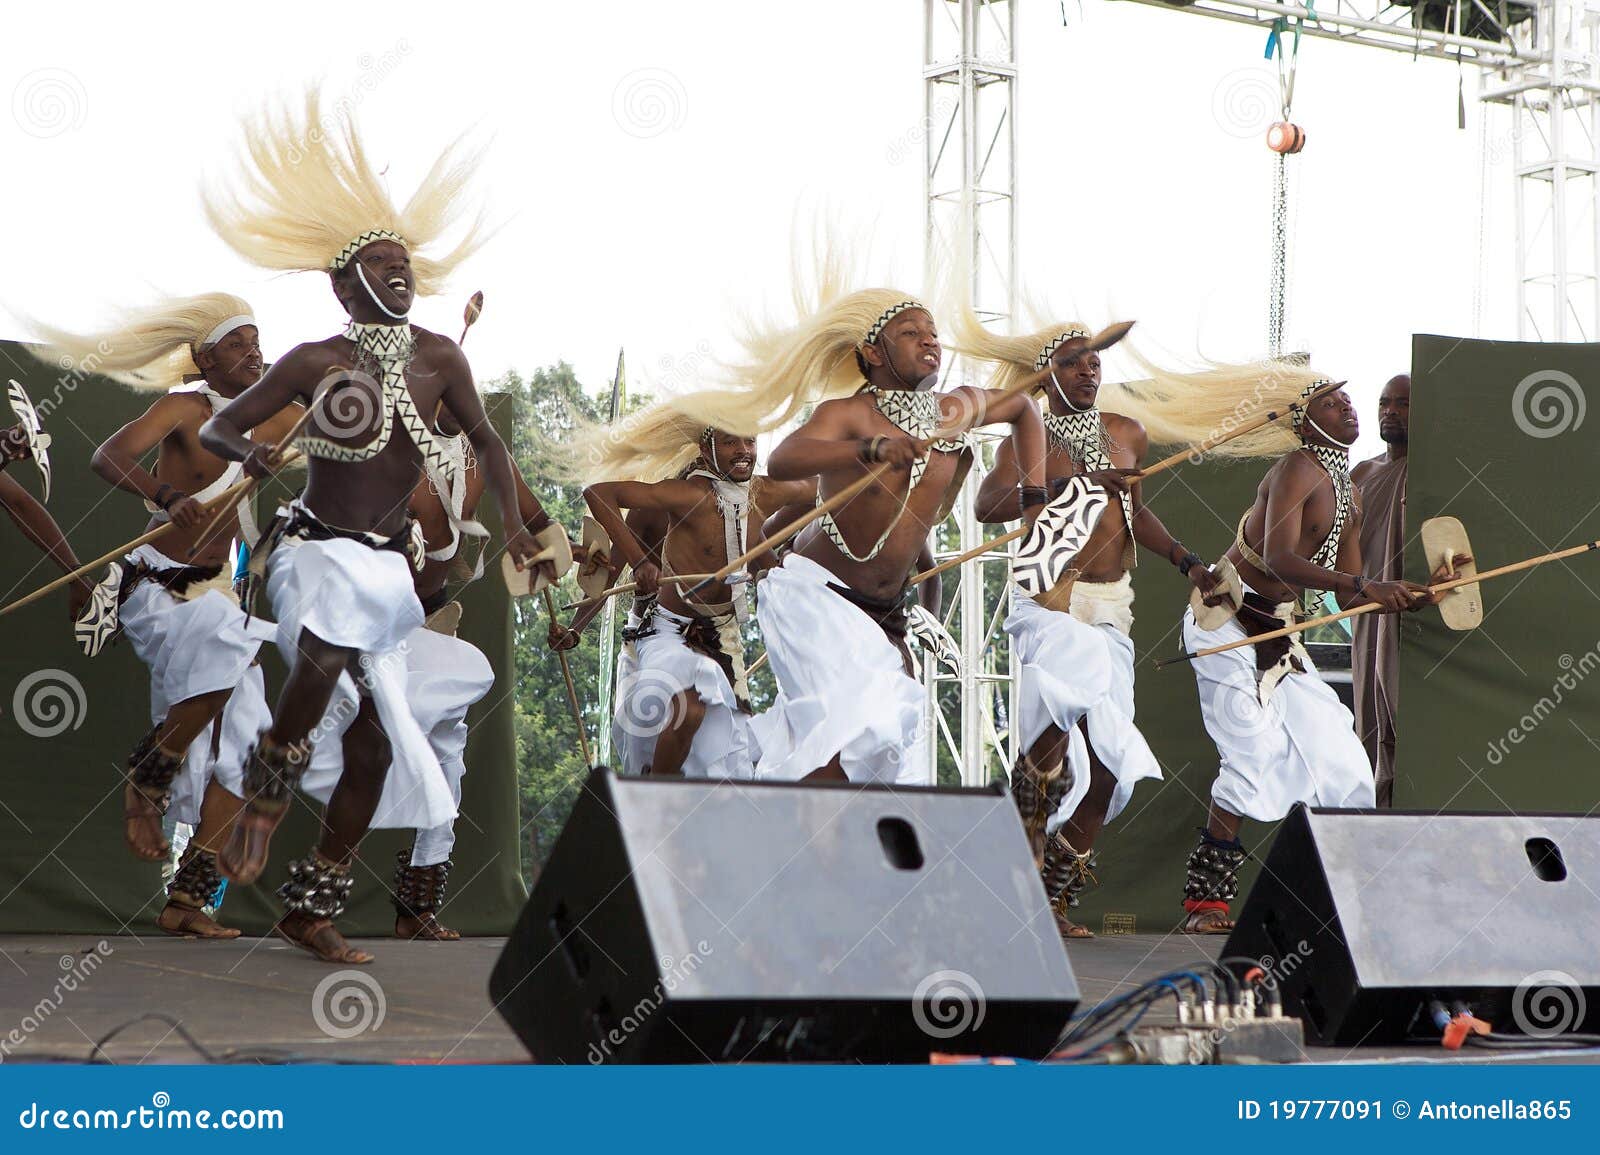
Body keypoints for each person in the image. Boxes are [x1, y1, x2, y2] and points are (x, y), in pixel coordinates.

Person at [198, 89, 549, 963]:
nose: (400, 271)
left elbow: (489, 442)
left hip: (388, 570)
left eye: (405, 262)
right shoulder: (314, 360)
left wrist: (513, 523)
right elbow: (219, 425)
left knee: (374, 745)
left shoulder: (440, 358)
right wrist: (245, 454)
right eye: (382, 262)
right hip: (316, 551)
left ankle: (311, 899)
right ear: (342, 284)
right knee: (321, 659)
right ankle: (267, 791)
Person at [37, 295, 301, 938]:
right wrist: (167, 495)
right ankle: (146, 778)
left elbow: (351, 441)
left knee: (251, 747)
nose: (252, 353)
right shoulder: (185, 408)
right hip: (161, 589)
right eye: (235, 344)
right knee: (218, 646)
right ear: (204, 358)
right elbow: (107, 456)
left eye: (256, 340)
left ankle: (188, 901)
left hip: (227, 594)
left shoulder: (281, 418)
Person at [1144, 364, 1431, 933]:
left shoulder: (1348, 491)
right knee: (1250, 753)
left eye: (1350, 401)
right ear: (1304, 420)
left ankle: (1350, 902)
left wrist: (1394, 597)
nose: (1350, 408)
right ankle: (1207, 905)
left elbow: (1347, 590)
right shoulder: (1296, 469)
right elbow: (1278, 560)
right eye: (1333, 403)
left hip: (1279, 636)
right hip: (1224, 623)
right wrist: (1362, 586)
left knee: (1347, 762)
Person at [962, 312, 1222, 939]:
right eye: (1075, 360)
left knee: (1111, 762)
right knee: (1053, 741)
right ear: (1045, 374)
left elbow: (1135, 512)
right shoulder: (1027, 441)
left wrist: (1187, 561)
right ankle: (1017, 867)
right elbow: (987, 504)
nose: (1088, 369)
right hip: (1049, 604)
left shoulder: (1126, 434)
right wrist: (1072, 482)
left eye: (1095, 360)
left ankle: (1049, 898)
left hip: (1111, 608)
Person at [738, 281, 1047, 783]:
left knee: (888, 751)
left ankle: (836, 845)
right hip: (815, 597)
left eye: (933, 333)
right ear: (872, 352)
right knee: (857, 736)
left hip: (885, 614)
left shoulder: (955, 410)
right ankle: (785, 835)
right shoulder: (849, 414)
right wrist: (870, 449)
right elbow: (784, 459)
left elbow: (1023, 409)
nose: (930, 341)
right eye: (910, 333)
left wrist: (1034, 504)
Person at [577, 404, 813, 778]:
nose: (743, 450)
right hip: (665, 630)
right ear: (706, 451)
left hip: (723, 637)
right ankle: (654, 791)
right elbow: (600, 507)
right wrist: (579, 625)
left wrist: (777, 555)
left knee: (731, 764)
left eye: (749, 441)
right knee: (692, 706)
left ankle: (684, 806)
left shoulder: (760, 496)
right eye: (729, 440)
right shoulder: (680, 497)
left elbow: (824, 492)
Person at [1350, 374, 1409, 805]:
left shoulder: (1434, 472)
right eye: (1385, 402)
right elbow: (1341, 552)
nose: (1390, 410)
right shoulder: (1363, 472)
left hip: (1415, 613)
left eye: (1403, 403)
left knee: (1406, 722)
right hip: (1368, 614)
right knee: (1368, 722)